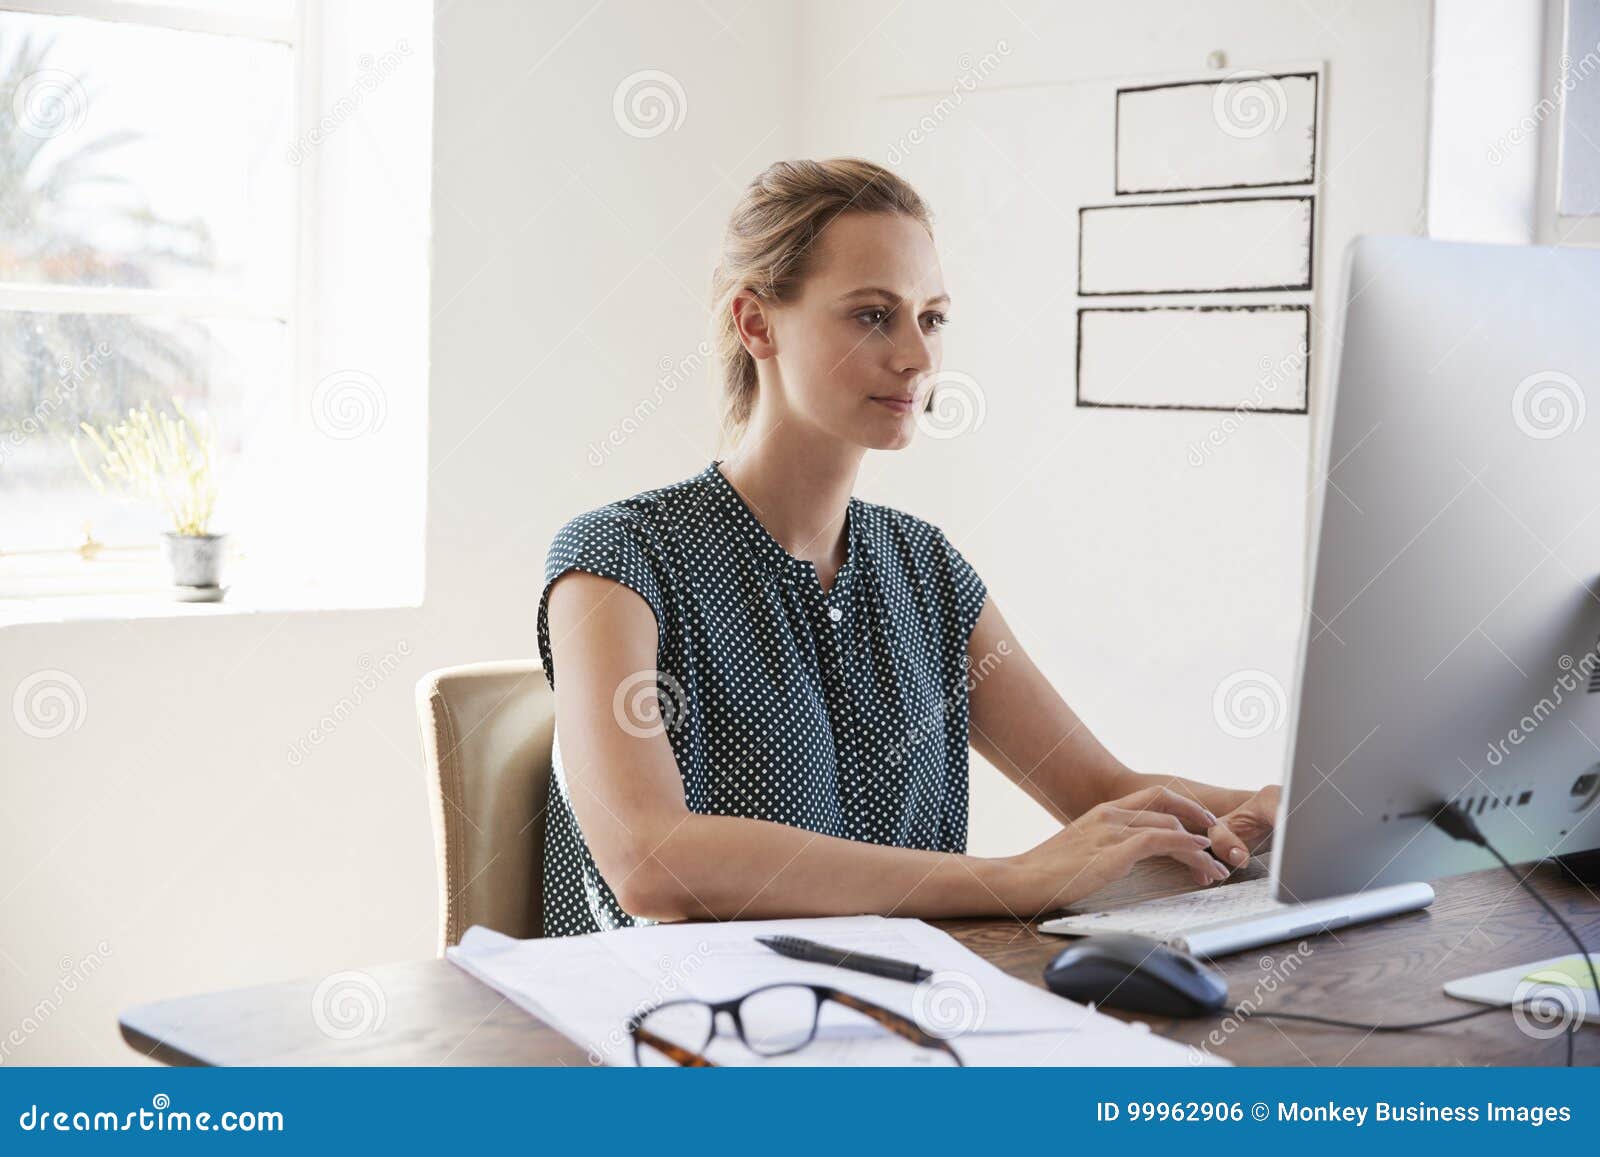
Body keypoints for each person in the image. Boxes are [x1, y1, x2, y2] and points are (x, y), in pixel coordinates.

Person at [537, 157, 1279, 937]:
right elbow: (653, 861)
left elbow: (1098, 788)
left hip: (901, 1023)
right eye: (871, 315)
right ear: (756, 323)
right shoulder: (616, 558)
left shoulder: (925, 568)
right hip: (683, 1035)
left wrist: (1275, 815)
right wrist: (1014, 878)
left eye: (932, 318)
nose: (918, 357)